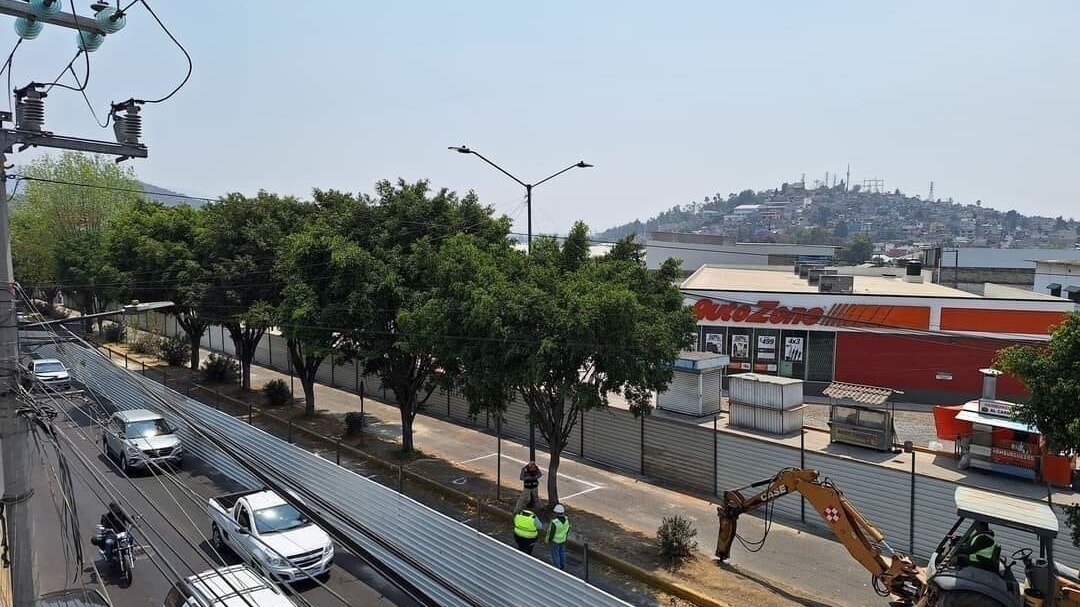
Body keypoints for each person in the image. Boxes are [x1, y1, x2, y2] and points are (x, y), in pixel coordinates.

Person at [546, 503, 570, 570]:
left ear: (557, 513)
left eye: (554, 512)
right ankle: (562, 566)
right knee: (562, 553)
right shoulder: (567, 520)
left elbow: (551, 533)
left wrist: (548, 540)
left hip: (555, 541)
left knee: (555, 555)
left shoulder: (555, 522)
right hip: (563, 540)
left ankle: (557, 568)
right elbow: (568, 530)